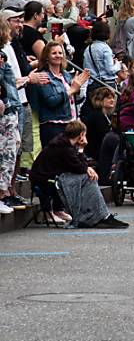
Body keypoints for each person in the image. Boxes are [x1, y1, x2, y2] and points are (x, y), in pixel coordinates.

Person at [27, 41, 89, 148]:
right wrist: (72, 90)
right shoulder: (42, 76)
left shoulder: (66, 75)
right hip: (53, 125)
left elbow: (76, 100)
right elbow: (51, 101)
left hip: (70, 123)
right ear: (46, 57)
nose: (58, 55)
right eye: (54, 53)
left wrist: (78, 89)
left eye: (60, 53)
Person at [0, 20, 24, 215]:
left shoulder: (3, 54)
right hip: (6, 109)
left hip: (10, 108)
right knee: (6, 152)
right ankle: (1, 193)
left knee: (11, 150)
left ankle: (3, 192)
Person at [83, 21, 118, 91]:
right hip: (107, 83)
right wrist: (118, 65)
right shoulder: (106, 48)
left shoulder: (88, 48)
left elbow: (86, 67)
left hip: (92, 83)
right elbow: (110, 70)